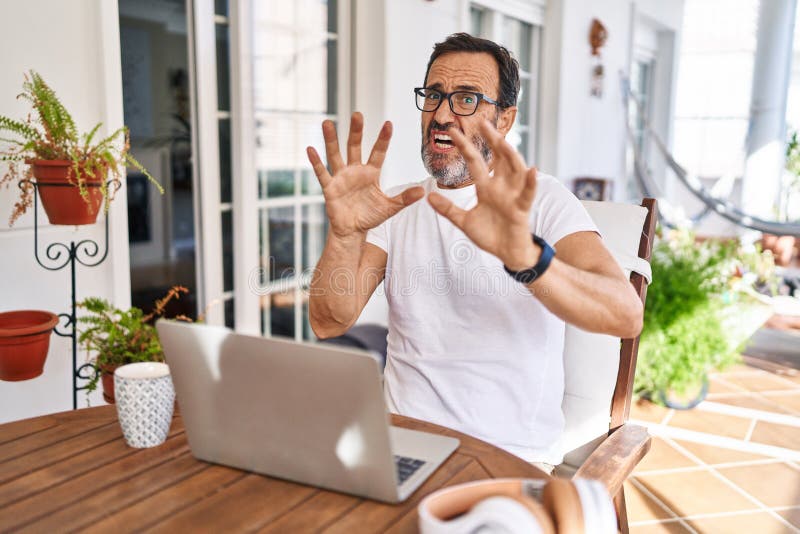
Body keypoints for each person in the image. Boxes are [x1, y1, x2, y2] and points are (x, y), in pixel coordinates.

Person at [306, 33, 643, 470]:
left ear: (504, 119)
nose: (442, 114)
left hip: (507, 460)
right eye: (434, 95)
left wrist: (527, 259)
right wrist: (344, 235)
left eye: (466, 99)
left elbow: (625, 315)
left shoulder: (544, 201)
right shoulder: (398, 205)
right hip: (399, 447)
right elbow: (328, 322)